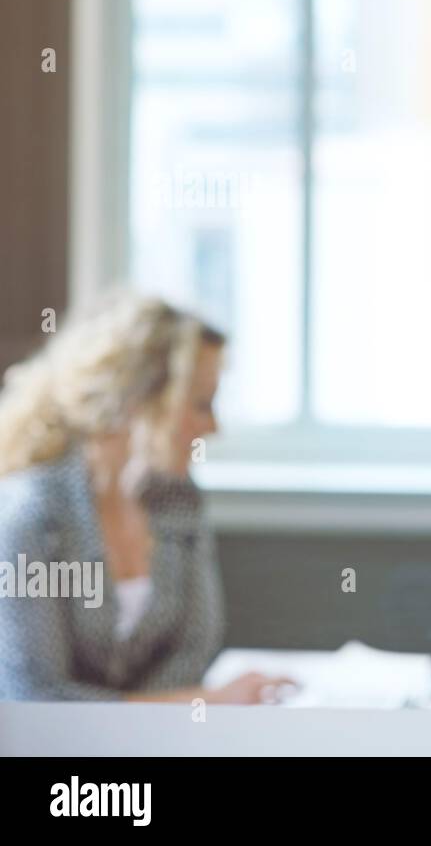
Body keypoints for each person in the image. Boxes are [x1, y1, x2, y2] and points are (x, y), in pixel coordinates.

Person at [0, 291, 293, 703]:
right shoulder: (31, 516)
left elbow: (193, 650)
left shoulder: (179, 503)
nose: (214, 426)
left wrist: (152, 721)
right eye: (201, 404)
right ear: (137, 400)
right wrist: (205, 702)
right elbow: (36, 697)